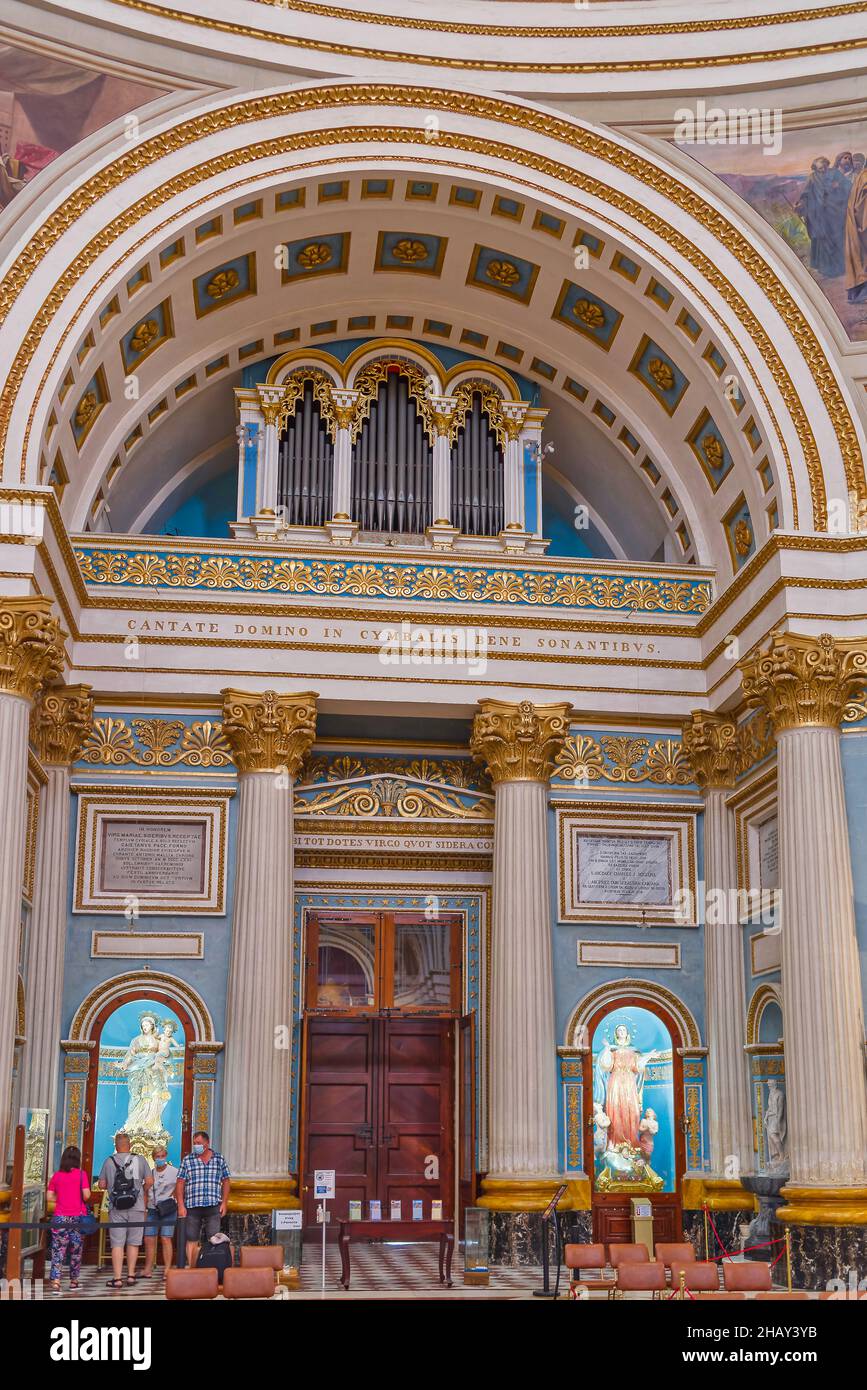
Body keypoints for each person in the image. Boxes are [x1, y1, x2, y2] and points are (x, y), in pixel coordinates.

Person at [97, 1131, 149, 1288]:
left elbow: (101, 1185)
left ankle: (118, 1278)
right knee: (134, 1242)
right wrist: (141, 1190)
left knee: (117, 1243)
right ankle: (131, 1276)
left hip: (117, 1207)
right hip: (137, 1206)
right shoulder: (140, 1159)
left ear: (116, 1146)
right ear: (130, 1145)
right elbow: (150, 1180)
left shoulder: (109, 1161)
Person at [176, 1131, 230, 1269]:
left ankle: (211, 1269)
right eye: (194, 1143)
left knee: (214, 1238)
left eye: (199, 1143)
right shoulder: (188, 1160)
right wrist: (181, 1205)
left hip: (213, 1205)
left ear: (207, 1143)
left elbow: (226, 1181)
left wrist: (224, 1202)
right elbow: (180, 1183)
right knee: (191, 1238)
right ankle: (192, 1268)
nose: (196, 1146)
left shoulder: (219, 1159)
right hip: (192, 1206)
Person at [46, 1145, 91, 1294]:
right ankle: (74, 1281)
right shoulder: (81, 1175)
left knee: (58, 1250)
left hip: (60, 1217)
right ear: (78, 1159)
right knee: (76, 1250)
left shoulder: (57, 1175)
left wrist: (61, 1197)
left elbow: (49, 1197)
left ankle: (56, 1282)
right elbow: (87, 1196)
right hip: (77, 1218)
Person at [141, 1144, 178, 1279]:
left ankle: (167, 1269)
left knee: (166, 1238)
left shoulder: (174, 1171)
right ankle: (148, 1268)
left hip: (168, 1209)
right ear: (153, 1158)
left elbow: (181, 1186)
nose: (160, 1159)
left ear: (166, 1156)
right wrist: (144, 1209)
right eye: (158, 1156)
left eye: (162, 1156)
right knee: (148, 1238)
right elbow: (145, 1192)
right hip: (152, 1209)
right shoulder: (150, 1173)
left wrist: (174, 1196)